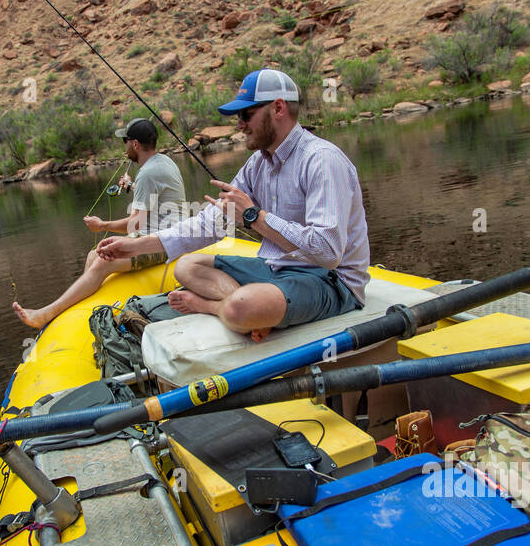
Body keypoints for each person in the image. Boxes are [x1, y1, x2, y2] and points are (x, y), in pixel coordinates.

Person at [96, 69, 370, 342]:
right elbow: (208, 223)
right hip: (276, 269)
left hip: (331, 282)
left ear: (278, 108)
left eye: (245, 115)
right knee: (187, 267)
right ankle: (255, 314)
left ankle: (217, 307)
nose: (239, 124)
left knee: (243, 305)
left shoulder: (322, 159)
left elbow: (328, 251)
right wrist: (137, 245)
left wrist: (253, 216)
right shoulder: (258, 164)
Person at [13, 117, 186, 330]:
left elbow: (135, 224)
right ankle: (84, 309)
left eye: (125, 141)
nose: (123, 147)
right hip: (164, 235)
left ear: (135, 144)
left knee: (103, 260)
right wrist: (132, 186)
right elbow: (155, 199)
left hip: (164, 244)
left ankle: (46, 314)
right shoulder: (163, 162)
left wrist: (101, 225)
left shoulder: (148, 173)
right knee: (94, 254)